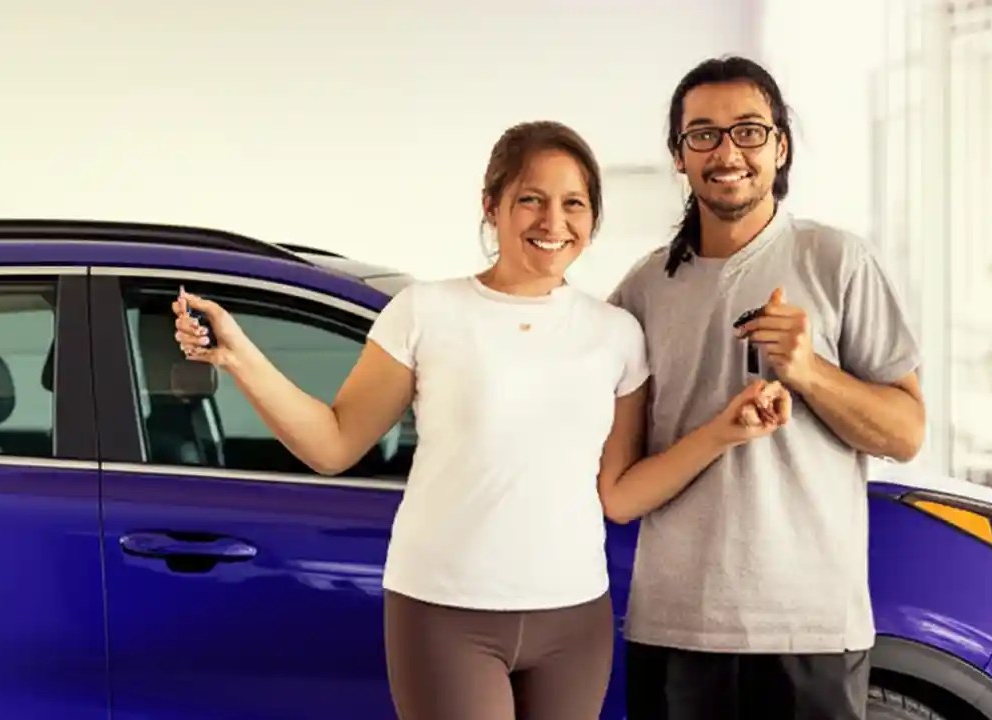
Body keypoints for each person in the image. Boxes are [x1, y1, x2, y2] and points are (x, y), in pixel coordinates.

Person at [171, 119, 792, 720]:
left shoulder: (615, 335)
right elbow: (333, 444)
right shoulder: (426, 313)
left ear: (593, 218)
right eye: (531, 199)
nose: (554, 222)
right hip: (445, 613)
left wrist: (725, 431)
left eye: (574, 203)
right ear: (492, 205)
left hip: (573, 619)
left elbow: (621, 495)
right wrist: (238, 356)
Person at [607, 56, 927, 720]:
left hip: (809, 630)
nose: (727, 152)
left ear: (780, 147)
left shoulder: (837, 261)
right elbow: (615, 469)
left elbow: (906, 432)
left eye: (749, 131)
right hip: (675, 627)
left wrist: (808, 369)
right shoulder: (643, 289)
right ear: (679, 156)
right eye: (704, 134)